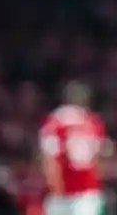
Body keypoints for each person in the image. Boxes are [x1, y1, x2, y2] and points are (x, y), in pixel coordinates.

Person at [39, 82, 109, 215]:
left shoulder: (54, 122)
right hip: (88, 191)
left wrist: (56, 190)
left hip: (62, 193)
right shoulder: (93, 122)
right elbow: (99, 160)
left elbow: (50, 160)